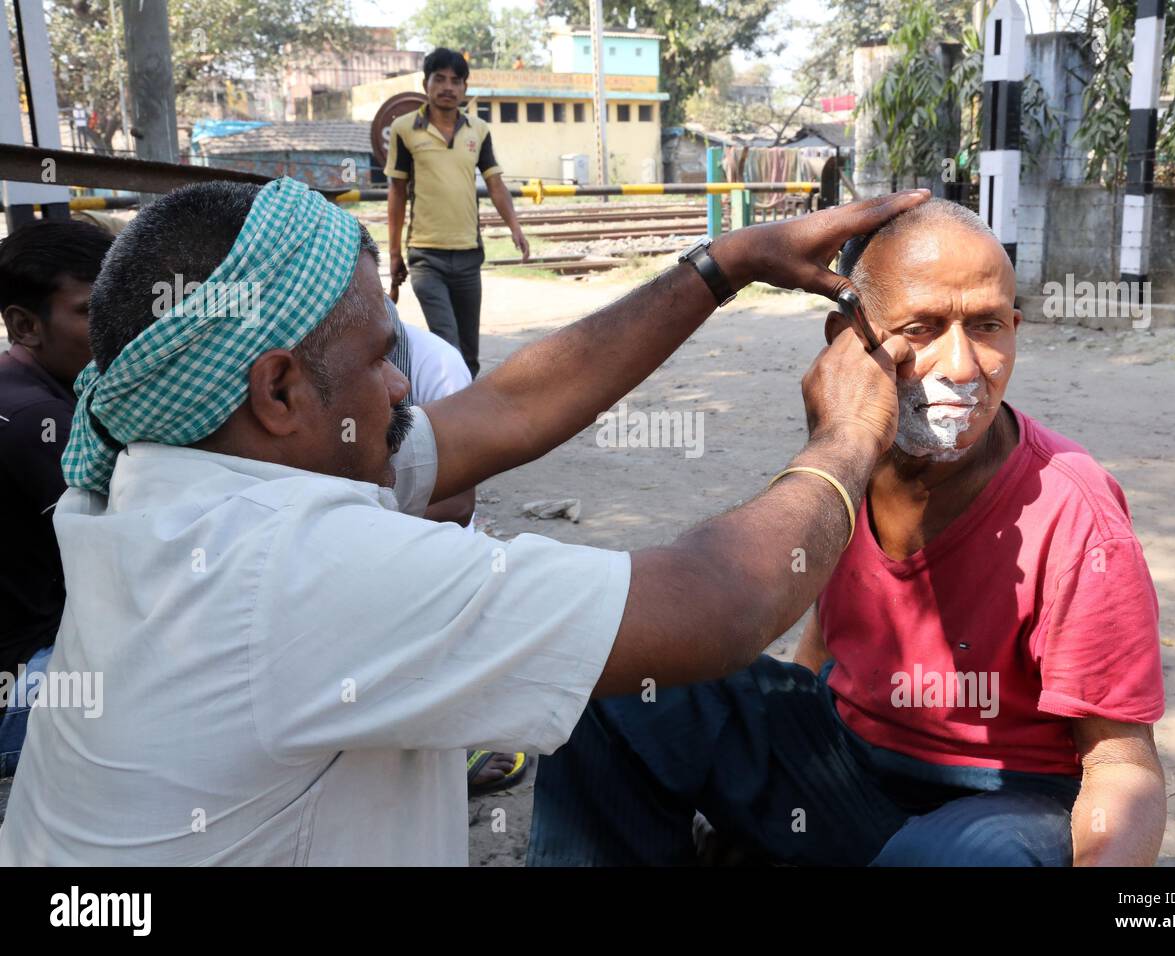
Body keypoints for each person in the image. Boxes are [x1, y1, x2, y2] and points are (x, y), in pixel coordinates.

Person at [0, 177, 928, 865]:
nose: (405, 384)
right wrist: (850, 435)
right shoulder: (290, 567)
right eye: (378, 357)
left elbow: (504, 413)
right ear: (279, 389)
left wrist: (721, 265)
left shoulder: (159, 468)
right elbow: (720, 604)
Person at [527, 199, 1167, 867]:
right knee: (618, 682)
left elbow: (1124, 765)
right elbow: (831, 640)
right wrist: (773, 771)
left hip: (1004, 803)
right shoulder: (848, 458)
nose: (962, 365)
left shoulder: (1073, 507)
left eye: (987, 326)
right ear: (847, 339)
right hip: (848, 768)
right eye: (922, 328)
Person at [385, 300, 525, 791]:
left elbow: (456, 504)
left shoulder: (435, 364)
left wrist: (353, 521)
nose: (392, 387)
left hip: (424, 534)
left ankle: (455, 743)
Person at [0, 220, 114, 778]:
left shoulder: (20, 394)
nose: (119, 327)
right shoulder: (40, 421)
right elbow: (126, 557)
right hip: (23, 683)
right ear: (25, 325)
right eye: (92, 312)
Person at [385, 48, 529, 378]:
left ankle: (464, 416)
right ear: (426, 84)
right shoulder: (405, 129)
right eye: (440, 79)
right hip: (426, 257)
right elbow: (396, 193)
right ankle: (452, 423)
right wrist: (394, 255)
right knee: (447, 346)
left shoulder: (478, 130)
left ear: (464, 88)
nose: (448, 87)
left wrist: (515, 228)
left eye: (456, 80)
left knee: (469, 355)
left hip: (468, 257)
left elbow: (495, 184)